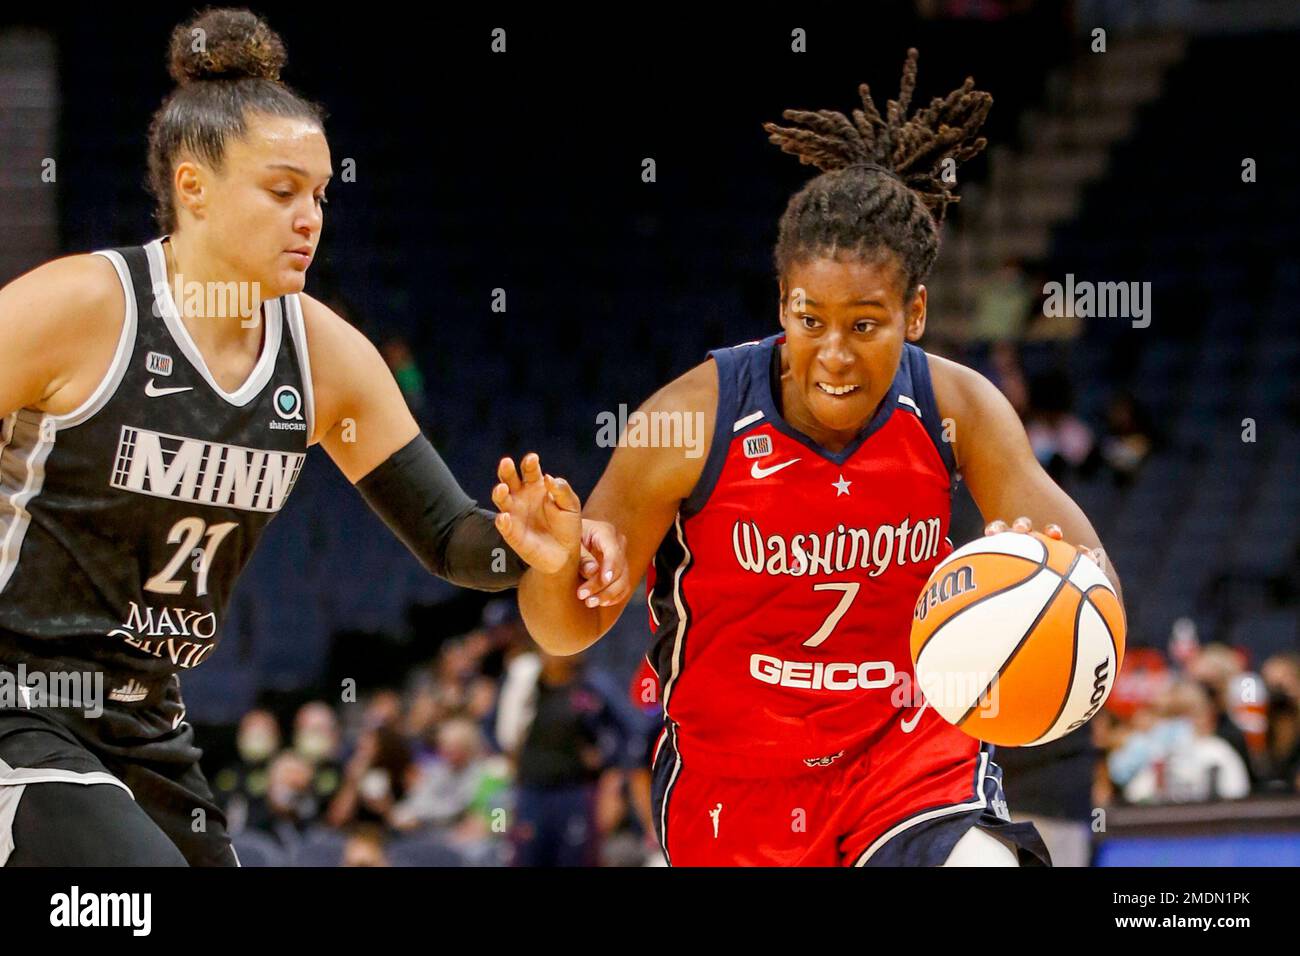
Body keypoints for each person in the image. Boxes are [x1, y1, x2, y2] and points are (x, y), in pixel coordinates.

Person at [0, 8, 626, 867]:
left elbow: (452, 542)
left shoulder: (324, 353)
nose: (311, 218)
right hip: (19, 701)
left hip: (145, 718)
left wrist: (524, 548)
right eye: (282, 190)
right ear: (194, 189)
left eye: (322, 194)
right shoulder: (79, 308)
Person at [514, 49, 1125, 866]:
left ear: (914, 312)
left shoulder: (958, 408)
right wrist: (556, 569)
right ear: (782, 306)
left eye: (864, 324)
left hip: (907, 758)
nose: (833, 352)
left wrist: (1049, 594)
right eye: (810, 320)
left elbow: (1094, 582)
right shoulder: (692, 419)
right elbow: (565, 626)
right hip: (736, 783)